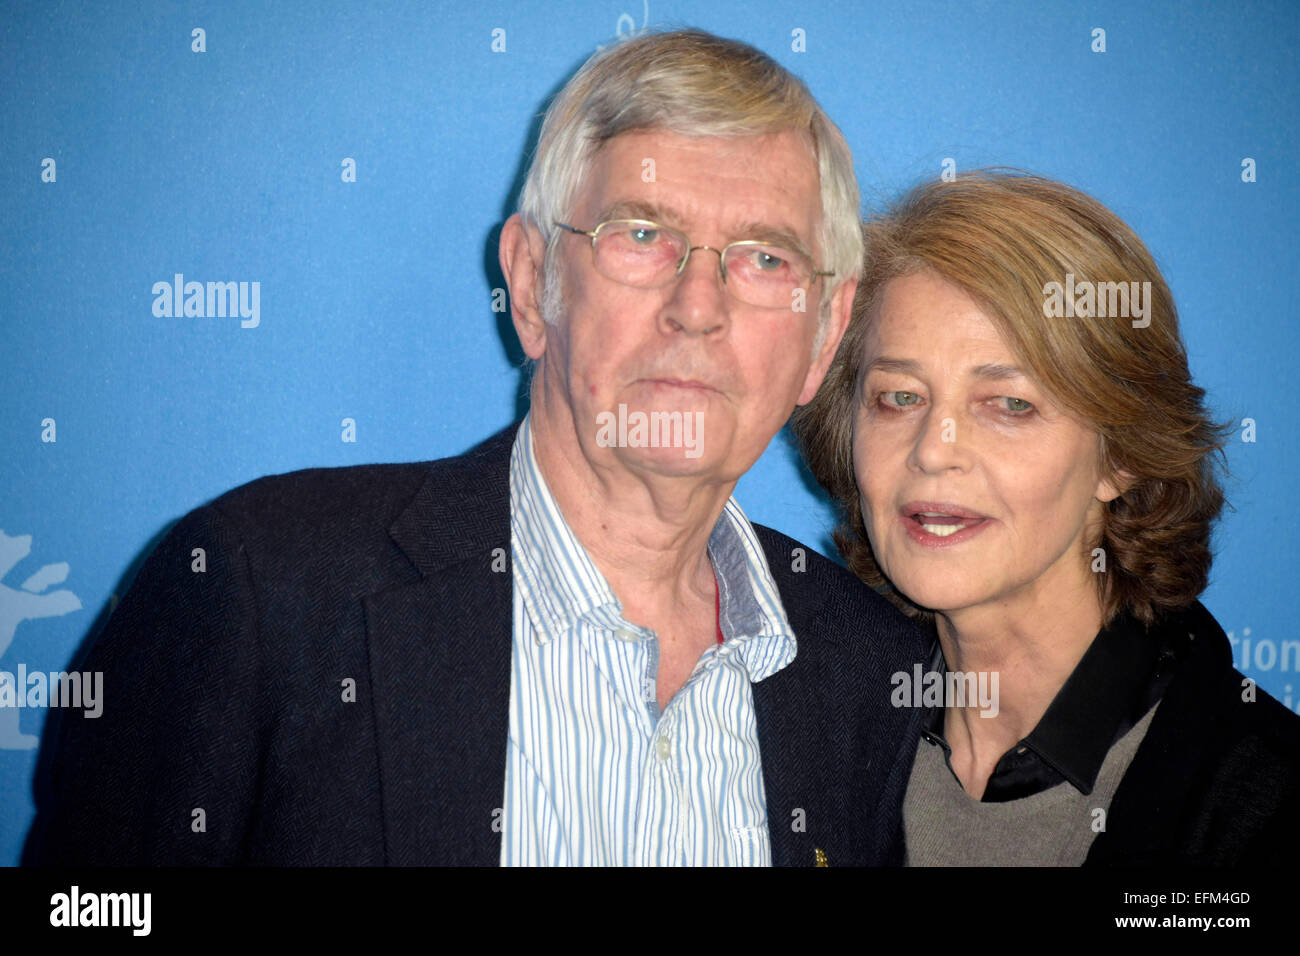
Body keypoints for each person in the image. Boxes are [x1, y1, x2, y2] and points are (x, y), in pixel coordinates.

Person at [27, 28, 928, 867]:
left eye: (765, 258)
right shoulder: (259, 592)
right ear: (533, 285)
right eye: (643, 236)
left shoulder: (871, 675)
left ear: (823, 335)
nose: (698, 307)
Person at [794, 169, 1300, 865]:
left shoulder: (1263, 806)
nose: (934, 451)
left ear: (1120, 455)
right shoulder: (804, 745)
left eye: (1010, 405)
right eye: (900, 398)